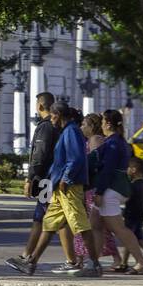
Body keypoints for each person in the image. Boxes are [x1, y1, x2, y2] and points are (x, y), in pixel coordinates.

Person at [8, 103, 101, 276]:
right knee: (49, 223)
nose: (51, 119)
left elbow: (76, 159)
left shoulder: (71, 131)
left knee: (80, 224)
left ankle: (94, 264)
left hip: (69, 187)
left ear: (58, 114)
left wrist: (66, 179)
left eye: (52, 116)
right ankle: (31, 262)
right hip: (59, 187)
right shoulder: (67, 131)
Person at [90, 109, 143, 274]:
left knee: (119, 229)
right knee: (95, 224)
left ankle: (141, 261)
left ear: (108, 124)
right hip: (114, 188)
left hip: (110, 190)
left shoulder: (112, 143)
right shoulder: (119, 141)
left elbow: (107, 170)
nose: (101, 125)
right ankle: (94, 263)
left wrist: (99, 192)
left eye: (102, 122)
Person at [9, 92, 57, 271]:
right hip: (50, 179)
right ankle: (27, 256)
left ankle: (27, 256)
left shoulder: (45, 127)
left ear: (40, 106)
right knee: (47, 219)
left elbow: (39, 155)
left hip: (46, 180)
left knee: (42, 218)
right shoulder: (54, 126)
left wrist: (30, 178)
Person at [75, 113, 119, 267]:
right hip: (91, 187)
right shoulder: (91, 140)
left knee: (94, 225)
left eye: (84, 125)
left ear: (91, 126)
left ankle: (89, 259)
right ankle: (87, 257)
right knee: (98, 226)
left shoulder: (95, 140)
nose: (81, 127)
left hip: (93, 188)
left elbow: (95, 164)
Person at [118, 157, 143, 272]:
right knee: (139, 239)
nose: (127, 170)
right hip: (140, 215)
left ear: (134, 169)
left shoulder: (133, 185)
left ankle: (126, 263)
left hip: (131, 215)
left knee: (128, 239)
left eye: (128, 168)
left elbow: (126, 199)